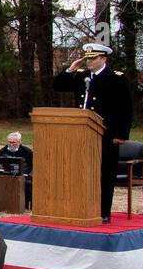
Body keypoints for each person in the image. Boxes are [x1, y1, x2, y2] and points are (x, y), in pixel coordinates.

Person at [53, 41, 133, 223]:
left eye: (93, 58)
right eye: (87, 58)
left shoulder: (116, 78)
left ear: (103, 59)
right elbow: (58, 86)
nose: (89, 62)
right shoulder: (82, 76)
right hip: (81, 135)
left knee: (104, 172)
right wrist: (70, 70)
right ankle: (80, 207)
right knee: (79, 171)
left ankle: (103, 211)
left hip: (105, 134)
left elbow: (126, 109)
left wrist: (121, 135)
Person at [0, 131, 33, 209]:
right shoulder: (3, 151)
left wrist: (29, 174)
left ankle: (25, 205)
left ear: (20, 142)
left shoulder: (27, 151)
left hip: (24, 176)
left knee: (28, 183)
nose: (11, 144)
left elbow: (34, 166)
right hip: (7, 176)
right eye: (9, 142)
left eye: (14, 142)